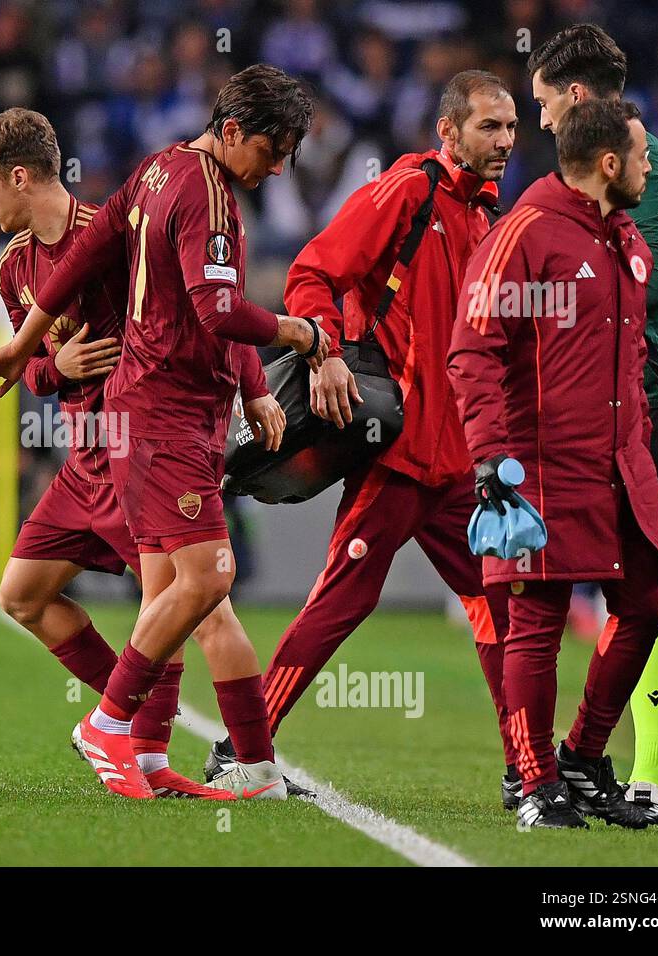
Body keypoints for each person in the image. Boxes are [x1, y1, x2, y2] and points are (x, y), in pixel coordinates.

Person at [0, 66, 327, 799]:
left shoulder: (154, 185)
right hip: (129, 434)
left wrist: (255, 387)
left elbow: (202, 304)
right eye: (275, 148)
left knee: (193, 598)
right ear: (233, 132)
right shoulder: (22, 267)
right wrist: (43, 359)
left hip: (143, 430)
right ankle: (123, 729)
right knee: (71, 594)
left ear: (22, 175)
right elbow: (213, 309)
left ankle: (176, 755)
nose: (279, 167)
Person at [204, 70, 523, 806]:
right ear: (448, 133)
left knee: (498, 606)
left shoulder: (486, 217)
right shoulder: (408, 191)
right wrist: (327, 354)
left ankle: (526, 765)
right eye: (489, 127)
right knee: (340, 602)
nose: (505, 141)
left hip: (458, 464)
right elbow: (315, 270)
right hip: (400, 454)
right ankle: (240, 748)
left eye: (511, 127)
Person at [448, 98, 658, 830]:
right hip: (541, 465)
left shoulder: (624, 240)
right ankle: (536, 782)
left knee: (645, 606)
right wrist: (490, 458)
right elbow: (471, 351)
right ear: (609, 163)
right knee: (538, 623)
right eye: (641, 156)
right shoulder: (525, 234)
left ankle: (581, 757)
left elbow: (631, 356)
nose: (652, 167)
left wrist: (637, 442)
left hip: (619, 462)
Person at [527, 22, 658, 824]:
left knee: (643, 585)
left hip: (646, 403)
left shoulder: (643, 168)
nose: (543, 122)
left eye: (548, 104)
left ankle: (650, 772)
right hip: (608, 403)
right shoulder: (594, 173)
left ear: (578, 93)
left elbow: (653, 292)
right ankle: (567, 762)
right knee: (602, 589)